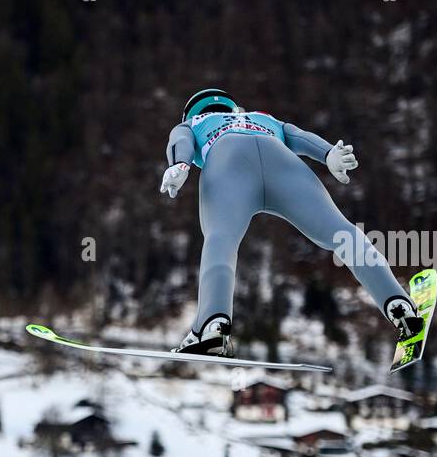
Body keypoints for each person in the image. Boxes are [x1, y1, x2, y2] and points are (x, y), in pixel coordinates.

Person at [160, 88, 423, 357]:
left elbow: (180, 141)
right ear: (234, 109)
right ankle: (398, 303)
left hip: (228, 162)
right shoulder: (263, 117)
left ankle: (212, 327)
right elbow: (299, 137)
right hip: (283, 163)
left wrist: (179, 165)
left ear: (191, 112)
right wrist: (329, 154)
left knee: (221, 241)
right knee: (342, 233)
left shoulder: (192, 124)